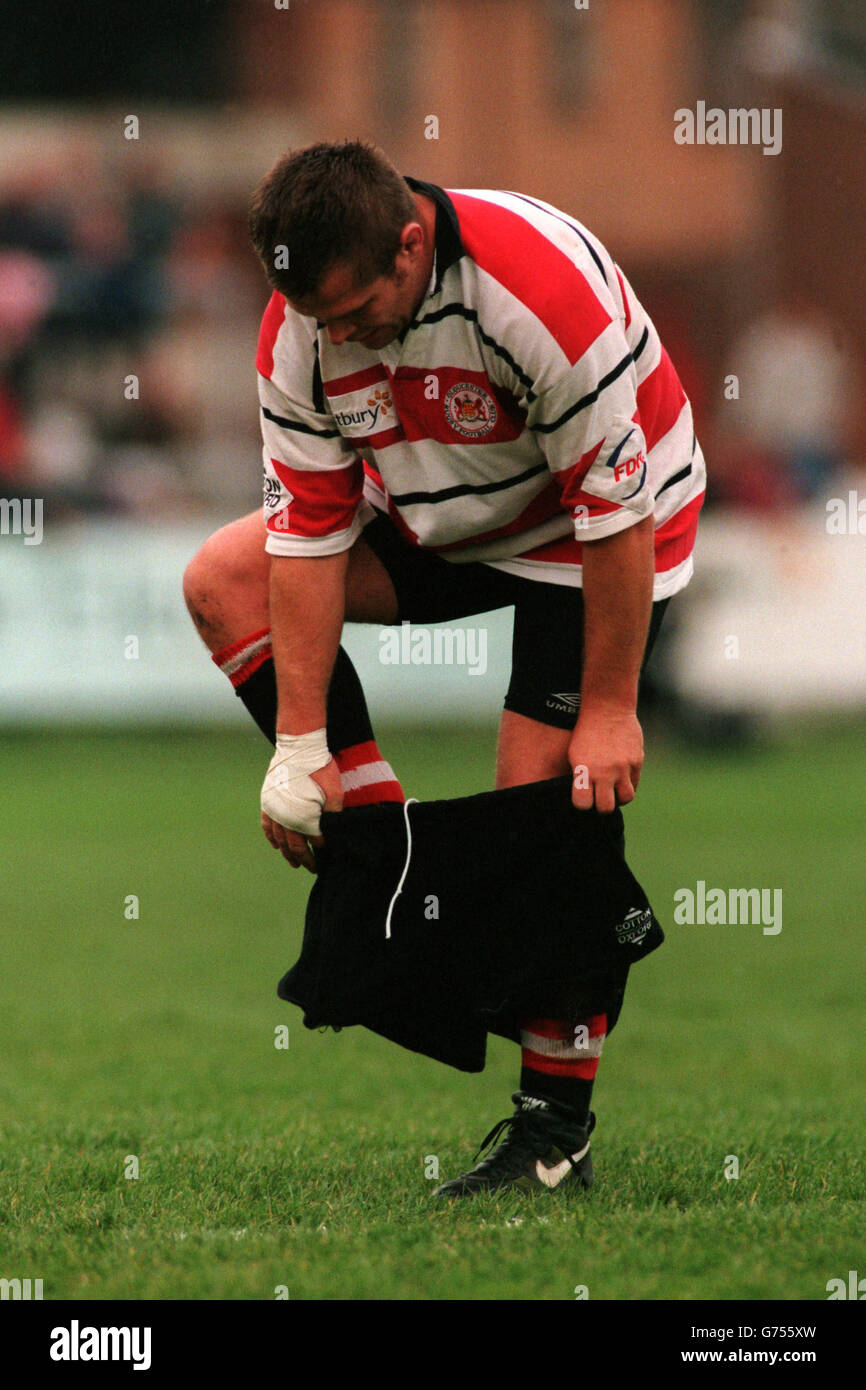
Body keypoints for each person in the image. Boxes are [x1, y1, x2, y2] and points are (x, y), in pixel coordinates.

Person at [183, 141, 706, 1197]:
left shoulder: (538, 296)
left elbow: (615, 513)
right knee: (221, 578)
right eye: (316, 320)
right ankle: (386, 856)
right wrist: (300, 748)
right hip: (436, 509)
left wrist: (607, 706)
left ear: (411, 245)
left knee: (544, 809)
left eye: (356, 313)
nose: (335, 339)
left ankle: (553, 1135)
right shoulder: (301, 321)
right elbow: (306, 535)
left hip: (589, 529)